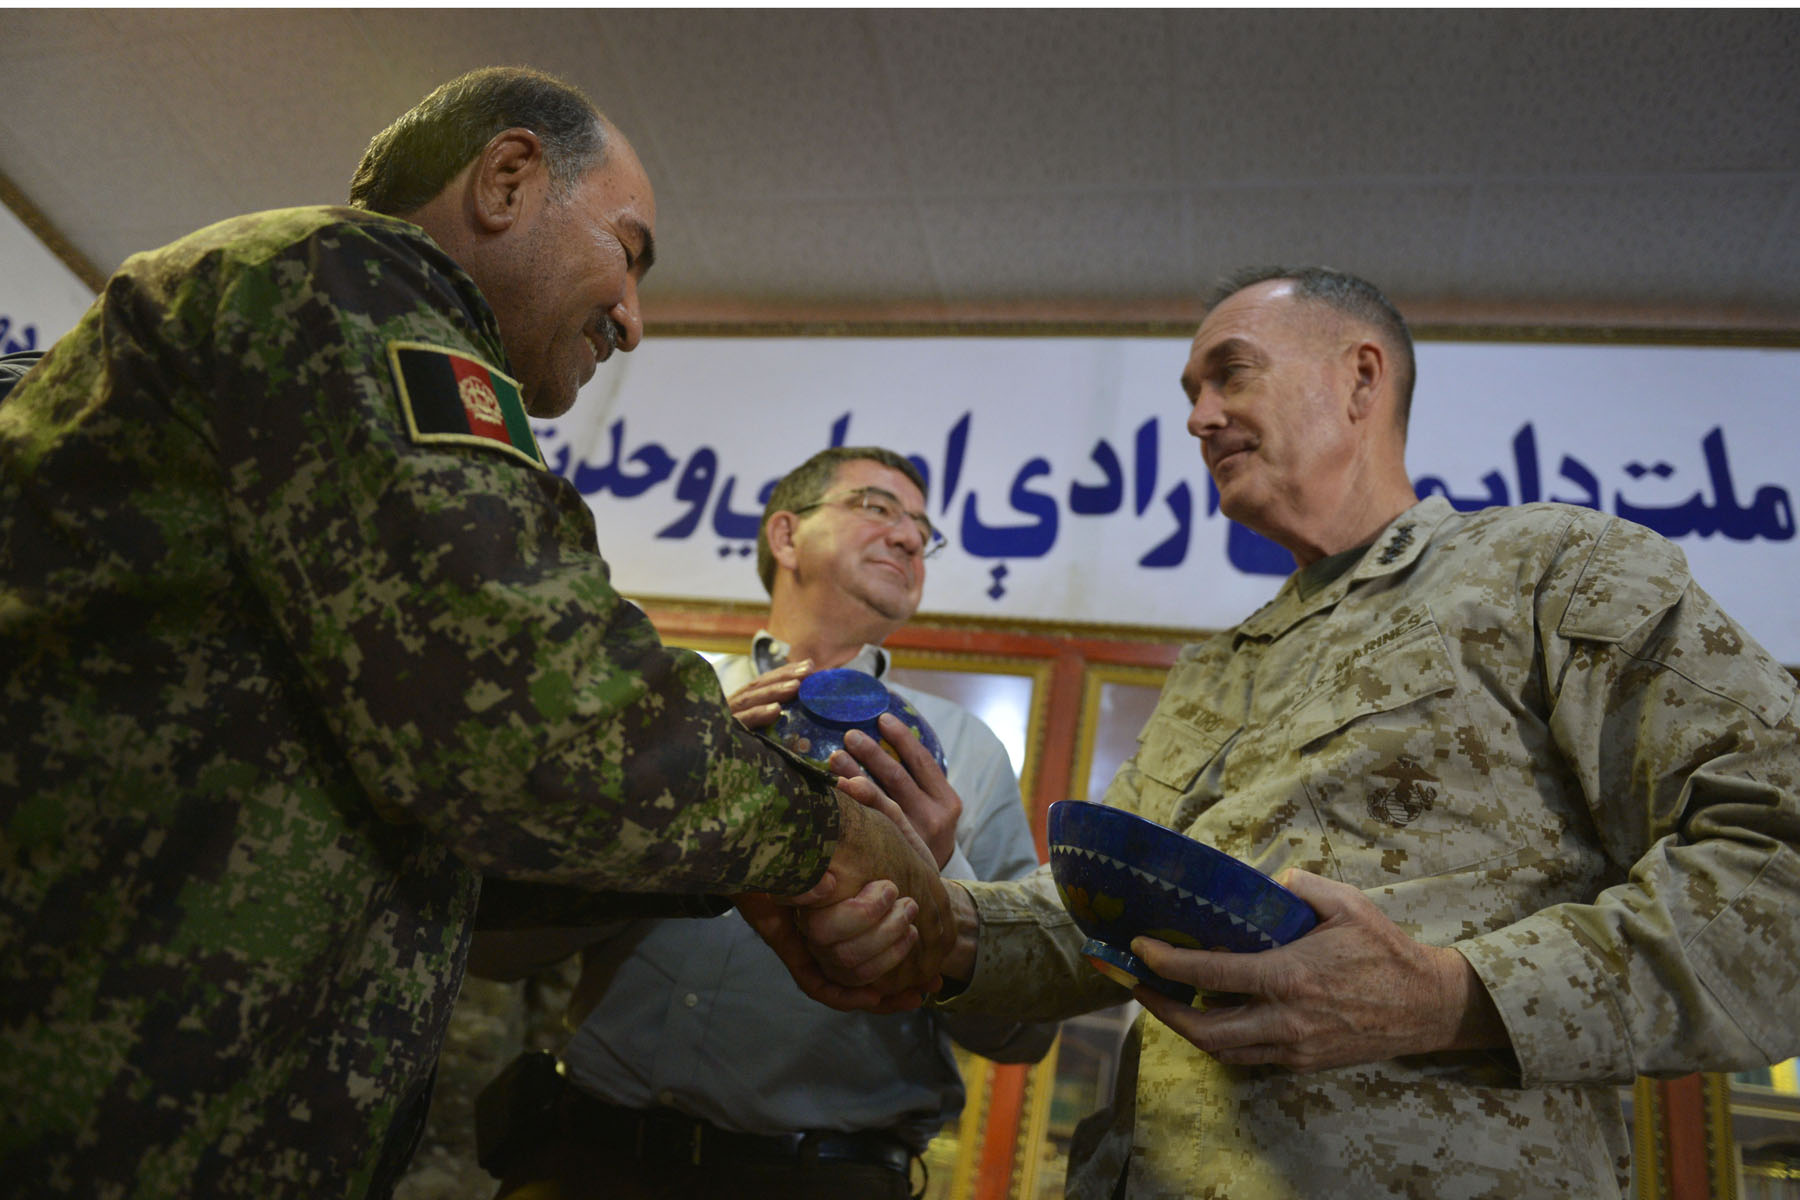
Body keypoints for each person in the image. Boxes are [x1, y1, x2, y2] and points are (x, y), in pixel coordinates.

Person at [0, 67, 947, 1199]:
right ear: (507, 180)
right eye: (629, 253)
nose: (634, 322)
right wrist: (828, 837)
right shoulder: (348, 276)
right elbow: (533, 719)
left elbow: (457, 837)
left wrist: (721, 875)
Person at [768, 267, 1800, 1198]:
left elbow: (1778, 866)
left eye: (1231, 377)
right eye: (1190, 397)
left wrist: (1455, 996)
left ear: (1361, 377)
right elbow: (1101, 929)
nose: (1201, 419)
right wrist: (933, 930)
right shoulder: (1221, 668)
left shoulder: (1551, 569)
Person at [470, 445, 1056, 1200]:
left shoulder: (965, 752)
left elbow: (1024, 1032)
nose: (911, 537)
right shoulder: (665, 700)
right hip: (584, 1159)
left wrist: (934, 874)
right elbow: (494, 948)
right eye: (877, 507)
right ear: (785, 537)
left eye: (922, 527)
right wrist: (674, 809)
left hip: (819, 1181)